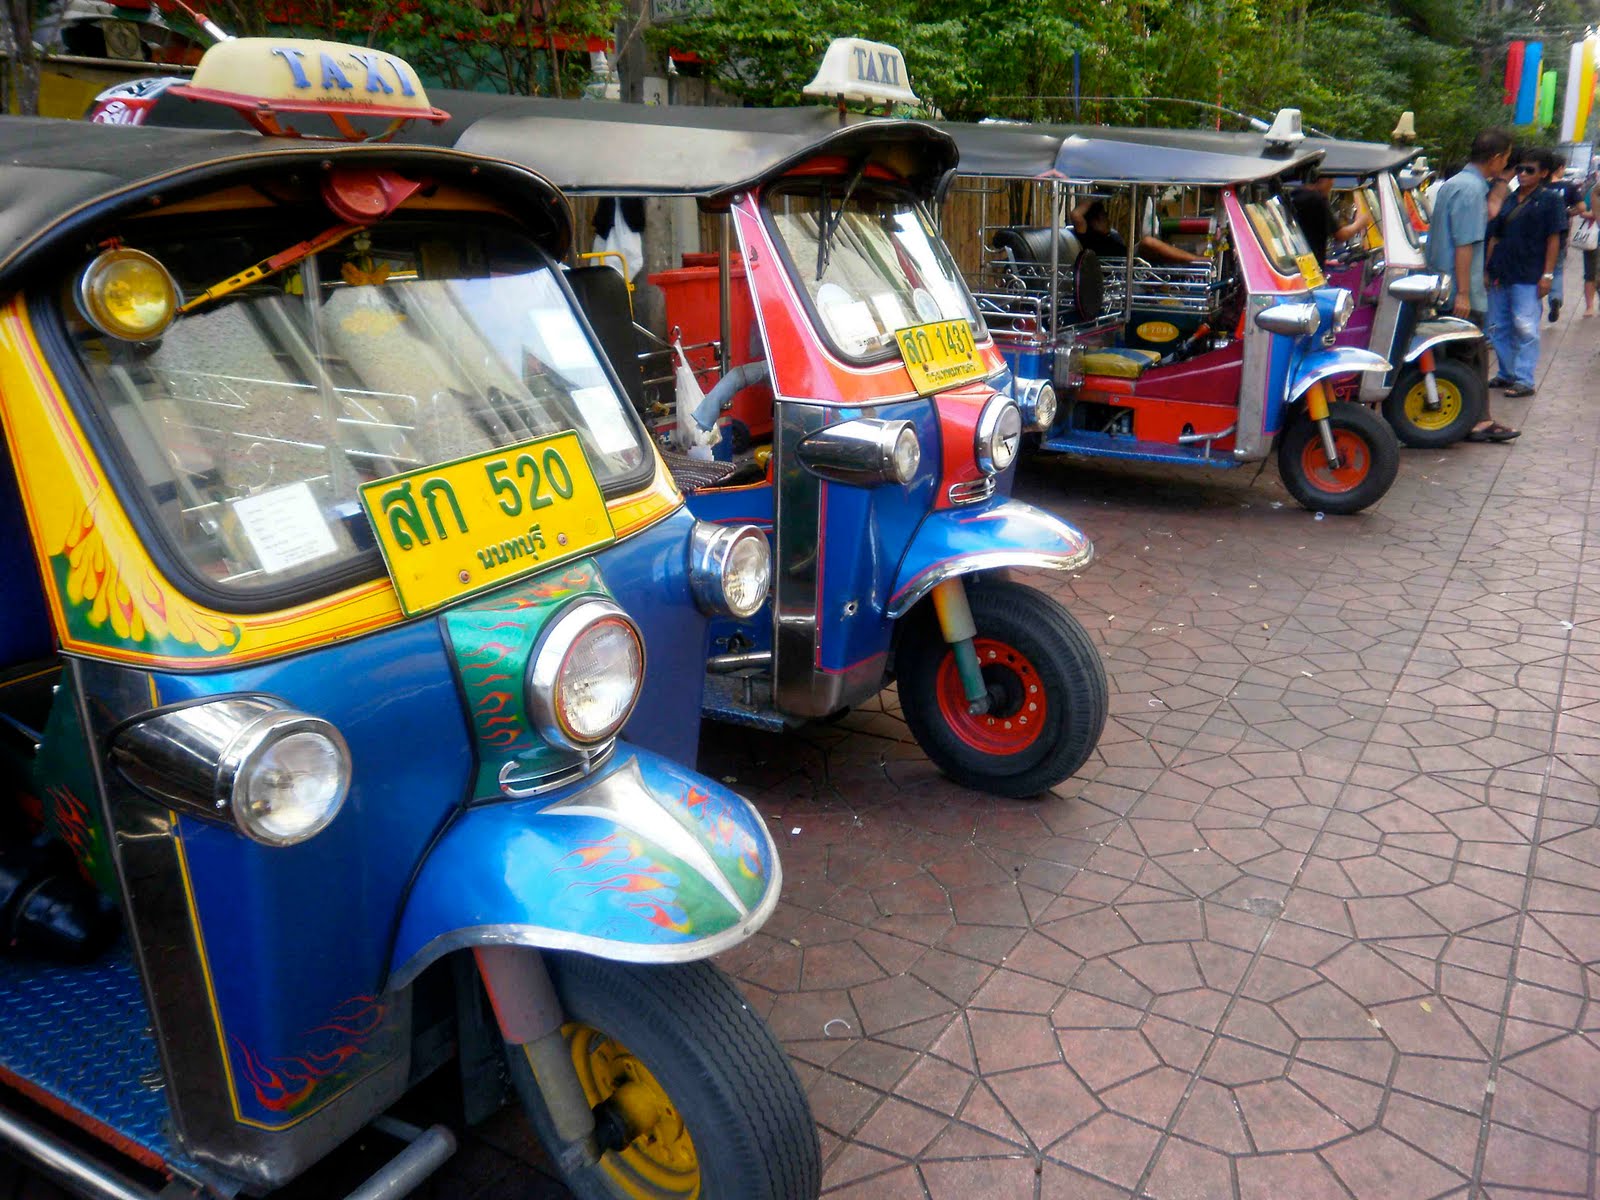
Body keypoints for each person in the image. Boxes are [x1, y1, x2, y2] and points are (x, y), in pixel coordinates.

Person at [1425, 128, 1518, 442]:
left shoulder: (1457, 184)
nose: (1505, 164)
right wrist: (1464, 292)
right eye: (1505, 158)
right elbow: (1465, 243)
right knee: (1470, 356)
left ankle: (1475, 417)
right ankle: (1477, 420)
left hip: (1445, 283)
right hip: (1460, 289)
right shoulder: (1470, 190)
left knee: (1465, 355)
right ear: (1495, 159)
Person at [1484, 147, 1565, 405]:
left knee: (1526, 328)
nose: (1522, 174)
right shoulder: (1509, 199)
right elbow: (1495, 236)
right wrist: (1488, 269)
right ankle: (1506, 373)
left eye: (1529, 170)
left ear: (1543, 173)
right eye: (1519, 169)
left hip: (1529, 274)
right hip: (1501, 272)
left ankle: (1524, 379)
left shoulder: (1550, 200)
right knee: (1497, 326)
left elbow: (1554, 238)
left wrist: (1548, 275)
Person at [1070, 199, 1207, 265]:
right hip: (1121, 267)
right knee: (1147, 242)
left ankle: (1195, 260)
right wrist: (1096, 197)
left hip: (1131, 260)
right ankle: (1198, 261)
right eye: (1103, 217)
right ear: (1093, 221)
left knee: (1158, 244)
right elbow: (1076, 214)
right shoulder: (1087, 235)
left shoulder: (1111, 235)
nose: (1107, 220)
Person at [1287, 172, 1371, 263]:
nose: (1331, 184)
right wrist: (1360, 222)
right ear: (1324, 179)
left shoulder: (1294, 195)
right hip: (1312, 264)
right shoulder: (1316, 199)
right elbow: (1341, 235)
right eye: (1331, 180)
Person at [1546, 154, 1585, 321]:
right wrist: (1569, 212)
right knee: (1557, 269)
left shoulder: (1540, 186)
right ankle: (1555, 298)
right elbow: (1582, 207)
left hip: (1537, 235)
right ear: (1560, 168)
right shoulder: (1568, 187)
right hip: (1559, 234)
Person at [1583, 174, 1599, 318]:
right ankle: (1589, 306)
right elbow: (1583, 211)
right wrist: (1595, 214)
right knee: (1591, 273)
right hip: (1593, 238)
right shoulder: (1594, 192)